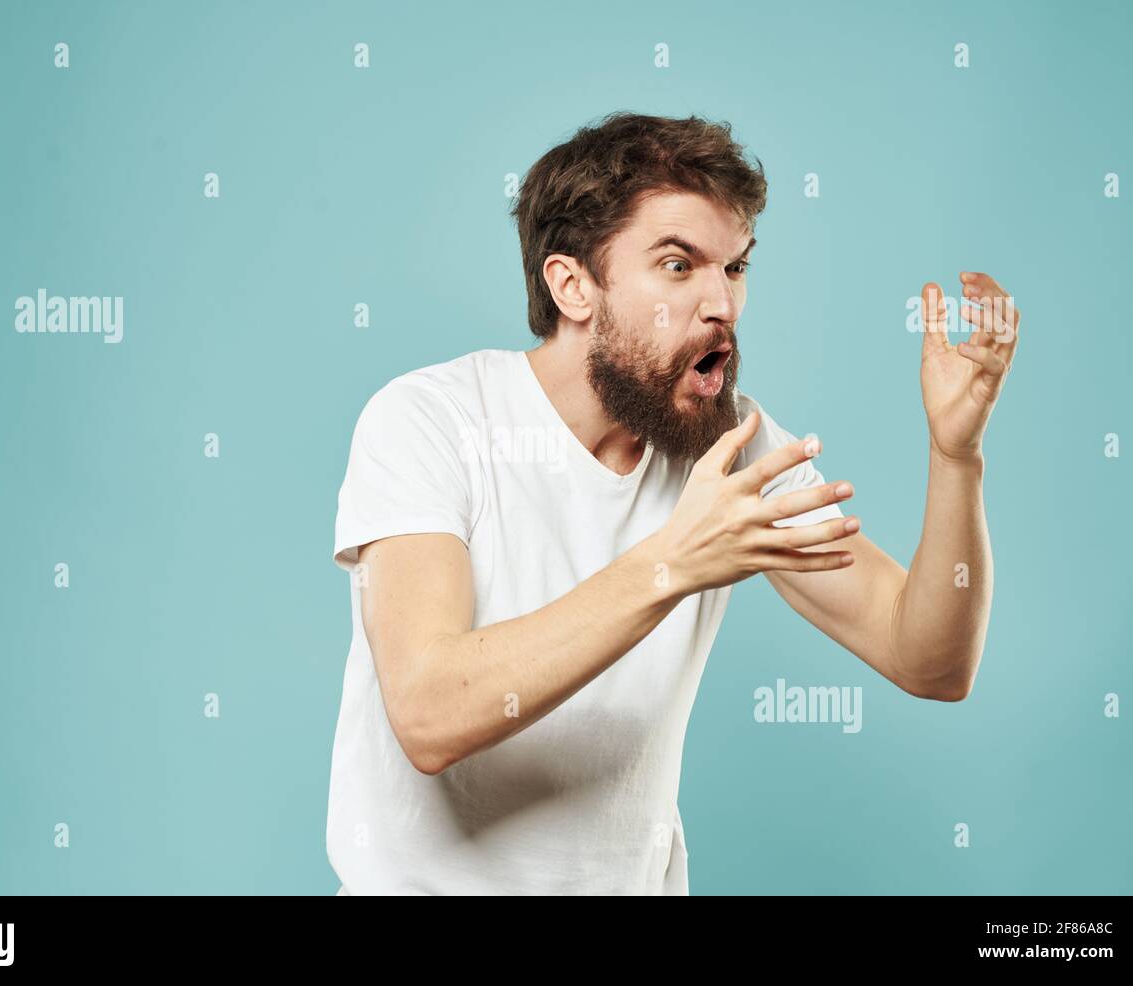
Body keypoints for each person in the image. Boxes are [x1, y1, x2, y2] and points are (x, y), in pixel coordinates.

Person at [327, 111, 1020, 895]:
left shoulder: (731, 451)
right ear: (573, 285)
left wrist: (956, 455)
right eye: (678, 266)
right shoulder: (433, 419)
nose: (721, 302)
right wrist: (670, 565)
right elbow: (428, 713)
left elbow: (929, 660)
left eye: (735, 268)